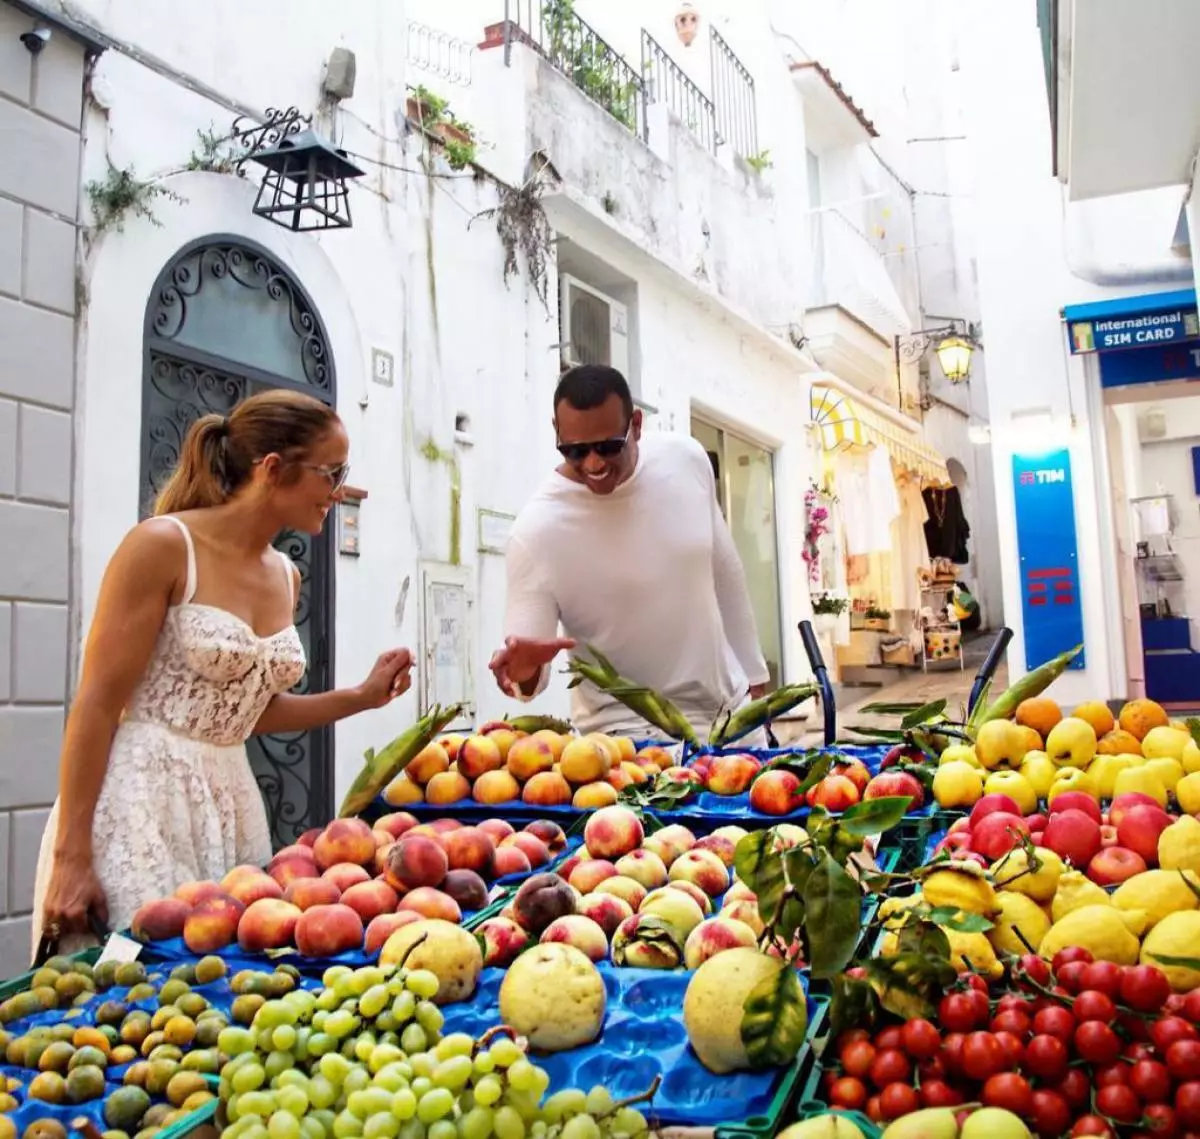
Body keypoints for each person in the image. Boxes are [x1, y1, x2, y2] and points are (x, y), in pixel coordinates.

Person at [33, 390, 414, 953]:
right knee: (129, 991)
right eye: (331, 472)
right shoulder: (162, 546)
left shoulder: (286, 574)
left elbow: (243, 714)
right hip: (141, 802)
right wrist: (71, 856)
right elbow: (95, 702)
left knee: (218, 995)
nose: (338, 490)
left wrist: (362, 696)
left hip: (231, 802)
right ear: (272, 469)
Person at [489, 364, 770, 740]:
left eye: (608, 446)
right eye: (575, 450)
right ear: (556, 433)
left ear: (636, 424)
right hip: (627, 742)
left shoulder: (686, 460)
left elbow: (725, 572)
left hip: (729, 720)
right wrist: (522, 673)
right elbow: (528, 672)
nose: (593, 463)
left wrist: (755, 681)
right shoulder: (536, 531)